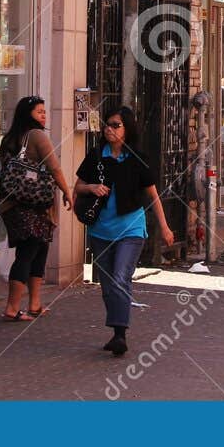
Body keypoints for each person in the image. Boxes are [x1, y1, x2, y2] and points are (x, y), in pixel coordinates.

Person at [75, 106, 175, 358]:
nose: (109, 129)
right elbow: (77, 186)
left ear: (127, 129)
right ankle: (117, 329)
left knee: (121, 276)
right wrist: (92, 187)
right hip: (100, 230)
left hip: (131, 229)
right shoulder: (97, 156)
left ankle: (120, 333)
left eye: (115, 125)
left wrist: (164, 227)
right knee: (108, 283)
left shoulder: (137, 159)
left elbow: (153, 196)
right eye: (107, 124)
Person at [0, 95, 73, 320]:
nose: (44, 115)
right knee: (28, 253)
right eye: (39, 111)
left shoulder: (10, 138)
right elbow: (55, 168)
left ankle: (35, 304)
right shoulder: (38, 136)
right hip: (33, 205)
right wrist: (67, 192)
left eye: (44, 111)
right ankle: (12, 309)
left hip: (12, 205)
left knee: (38, 251)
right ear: (26, 114)